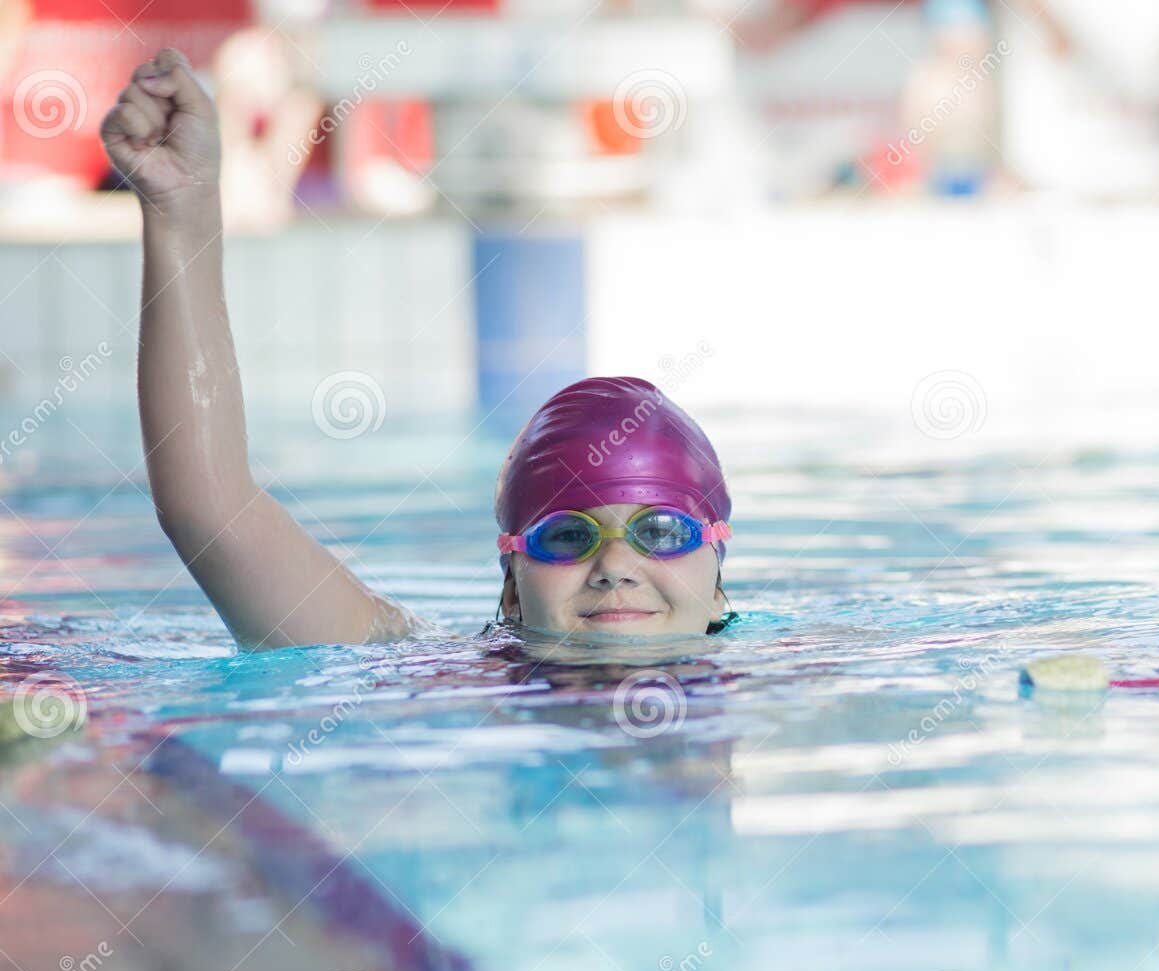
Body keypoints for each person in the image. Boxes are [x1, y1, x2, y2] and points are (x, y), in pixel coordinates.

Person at [99, 48, 736, 653]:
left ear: (718, 589)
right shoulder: (437, 671)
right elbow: (212, 508)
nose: (616, 567)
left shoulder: (811, 668)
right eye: (566, 537)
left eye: (661, 531)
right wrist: (181, 211)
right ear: (512, 592)